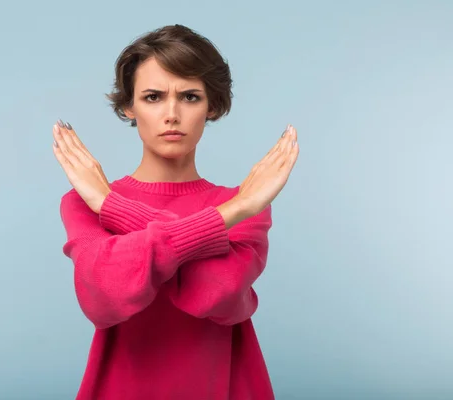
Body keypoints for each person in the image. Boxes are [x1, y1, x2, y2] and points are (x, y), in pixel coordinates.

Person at [52, 24, 298, 400]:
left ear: (211, 106)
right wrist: (226, 216)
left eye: (189, 96)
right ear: (128, 106)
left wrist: (113, 209)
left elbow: (216, 293)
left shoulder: (247, 205)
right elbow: (105, 297)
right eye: (152, 97)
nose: (171, 114)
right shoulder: (84, 201)